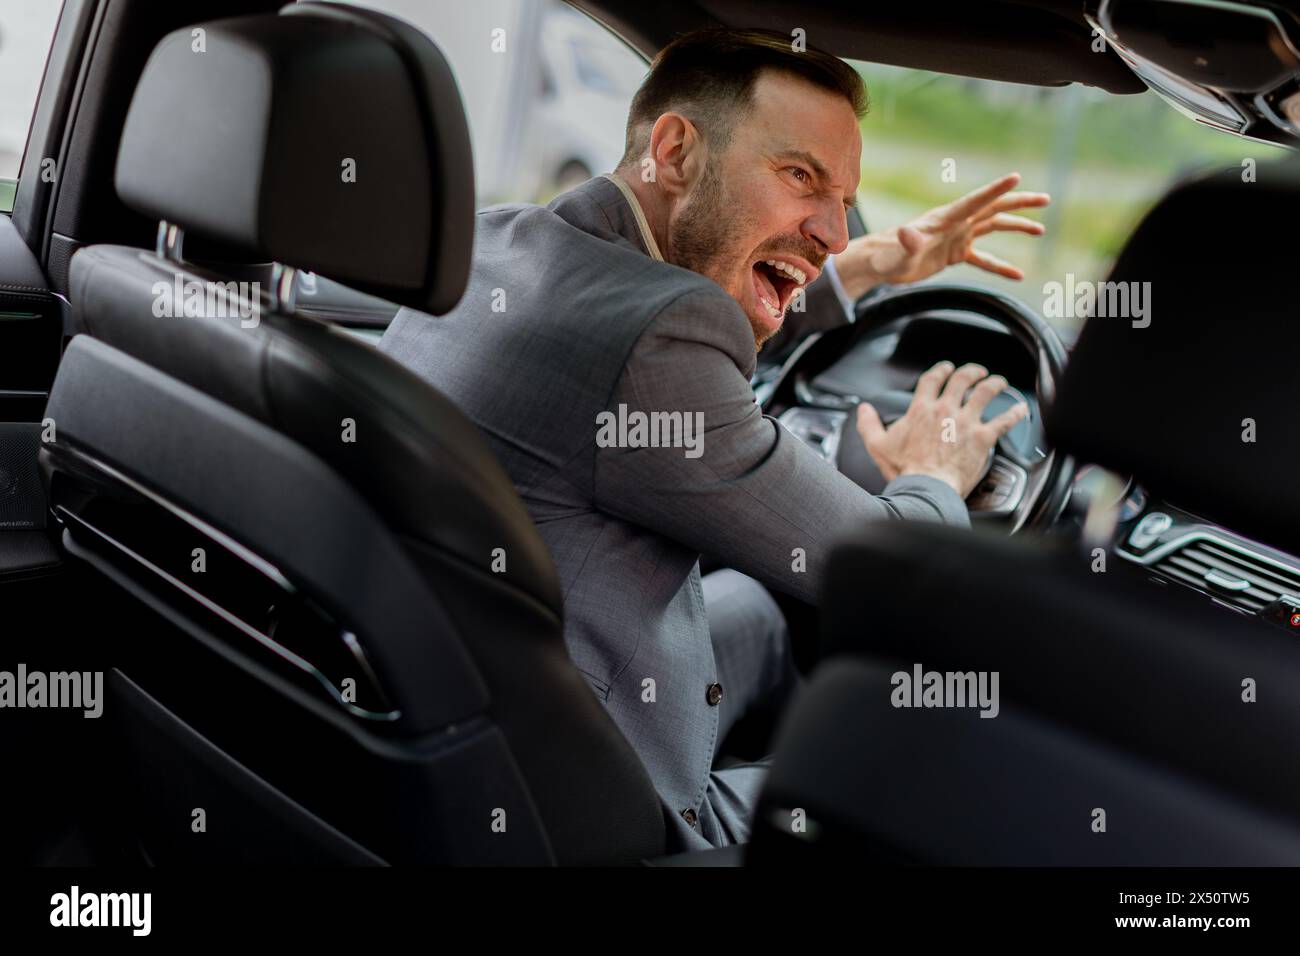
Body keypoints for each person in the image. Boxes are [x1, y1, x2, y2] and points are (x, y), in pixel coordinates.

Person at [380, 28, 1048, 850]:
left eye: (844, 199)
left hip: (455, 712)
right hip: (591, 809)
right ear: (676, 150)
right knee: (949, 758)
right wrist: (934, 473)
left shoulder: (496, 240)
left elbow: (663, 307)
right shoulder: (665, 339)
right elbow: (893, 580)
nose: (835, 231)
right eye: (801, 176)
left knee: (766, 615)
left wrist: (866, 269)